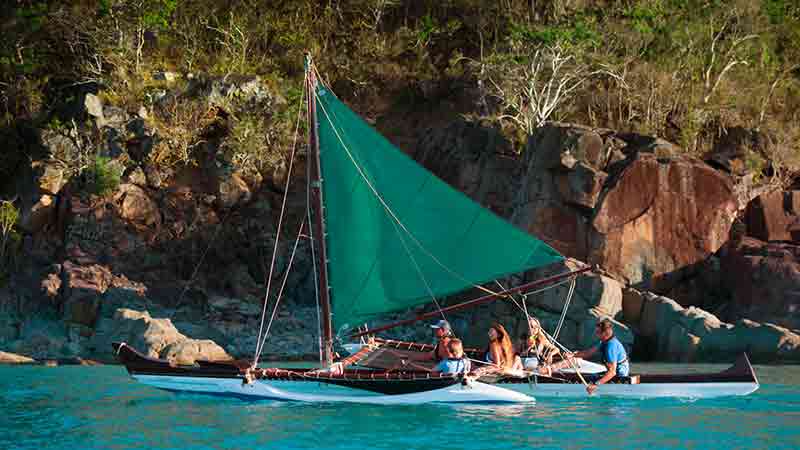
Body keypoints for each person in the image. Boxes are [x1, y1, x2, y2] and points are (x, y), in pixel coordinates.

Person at [569, 318, 630, 395]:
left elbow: (612, 372)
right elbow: (588, 353)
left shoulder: (611, 346)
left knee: (592, 377)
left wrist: (595, 385)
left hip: (619, 375)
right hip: (613, 371)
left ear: (604, 333)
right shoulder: (604, 341)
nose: (596, 334)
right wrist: (573, 355)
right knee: (590, 375)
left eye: (598, 332)